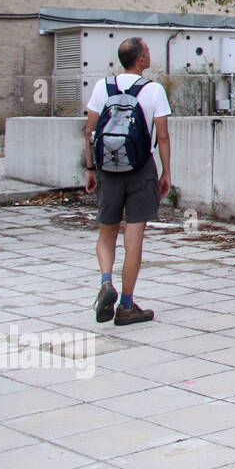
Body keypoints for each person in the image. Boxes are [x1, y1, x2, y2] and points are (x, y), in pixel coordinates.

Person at [84, 37, 171, 326]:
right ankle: (126, 305)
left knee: (106, 234)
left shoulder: (102, 87)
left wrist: (90, 168)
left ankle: (106, 282)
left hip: (108, 170)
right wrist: (165, 172)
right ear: (141, 60)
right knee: (133, 240)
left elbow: (90, 131)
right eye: (148, 51)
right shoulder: (153, 90)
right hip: (141, 169)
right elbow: (163, 136)